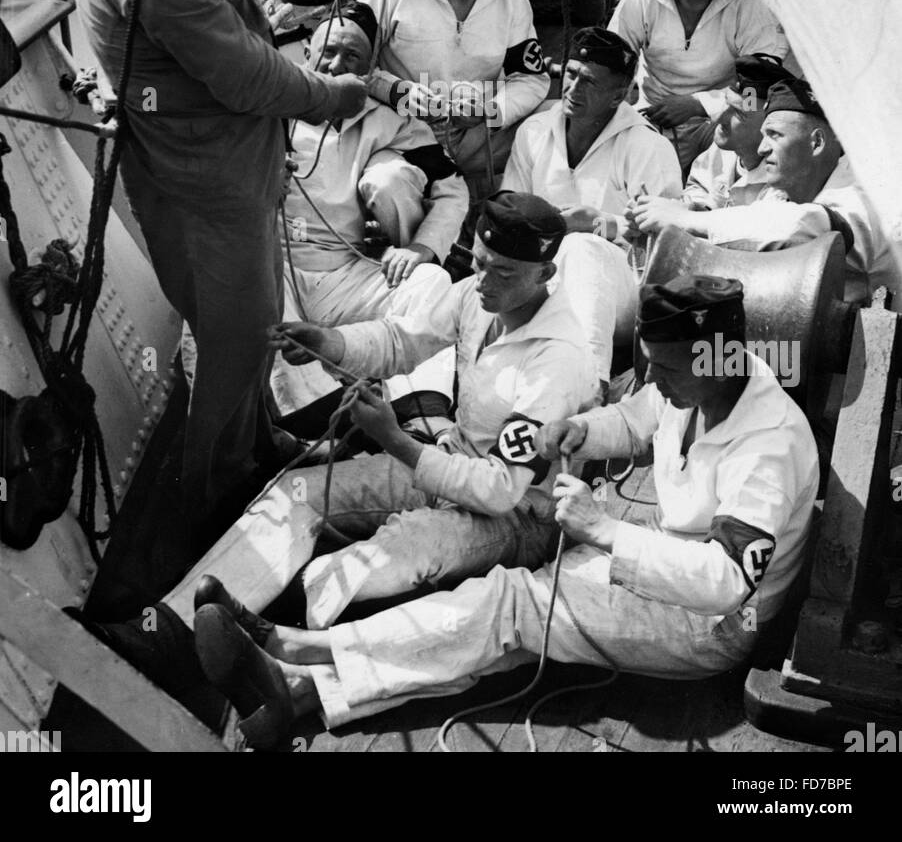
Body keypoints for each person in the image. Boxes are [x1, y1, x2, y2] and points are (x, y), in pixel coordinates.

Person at [188, 275, 819, 745]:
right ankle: (299, 694)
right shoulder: (701, 378)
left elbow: (727, 585)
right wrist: (580, 428)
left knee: (513, 605)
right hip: (658, 569)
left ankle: (298, 648)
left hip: (707, 627)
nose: (659, 381)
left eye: (668, 370)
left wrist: (604, 532)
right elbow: (638, 416)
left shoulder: (768, 448)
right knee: (500, 635)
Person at [84, 193, 595, 700]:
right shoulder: (478, 299)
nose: (483, 281)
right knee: (298, 490)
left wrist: (395, 441)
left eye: (504, 273)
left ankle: (275, 655)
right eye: (480, 264)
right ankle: (172, 632)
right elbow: (401, 342)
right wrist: (329, 342)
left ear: (545, 275)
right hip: (453, 461)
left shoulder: (558, 360)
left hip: (521, 517)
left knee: (389, 554)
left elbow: (502, 491)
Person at [74, 0, 401, 547]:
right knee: (237, 331)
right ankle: (214, 493)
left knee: (251, 322)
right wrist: (336, 96)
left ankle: (256, 446)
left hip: (227, 161)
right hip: (201, 175)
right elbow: (246, 75)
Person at [274, 2, 468, 436]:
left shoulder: (387, 120)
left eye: (352, 57)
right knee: (261, 307)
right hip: (277, 266)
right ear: (306, 51)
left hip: (348, 271)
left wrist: (421, 249)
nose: (337, 64)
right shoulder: (272, 107)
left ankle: (422, 410)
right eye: (327, 52)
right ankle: (323, 429)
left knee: (432, 284)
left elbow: (452, 187)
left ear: (369, 70)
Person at [502, 25, 681, 393]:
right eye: (571, 74)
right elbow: (509, 210)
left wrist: (598, 225)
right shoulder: (534, 130)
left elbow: (668, 245)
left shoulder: (648, 145)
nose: (573, 89)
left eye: (590, 83)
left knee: (583, 249)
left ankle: (588, 386)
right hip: (541, 278)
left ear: (618, 97)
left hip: (624, 295)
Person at [630, 79, 901, 307]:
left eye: (774, 135)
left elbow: (801, 225)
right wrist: (665, 231)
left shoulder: (865, 188)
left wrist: (686, 221)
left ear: (816, 142)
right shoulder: (784, 193)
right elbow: (750, 234)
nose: (762, 149)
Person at [361, 0, 549, 201]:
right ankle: (422, 248)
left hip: (478, 135)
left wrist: (491, 111)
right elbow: (352, 68)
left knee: (560, 126)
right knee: (386, 183)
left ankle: (518, 231)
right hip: (403, 132)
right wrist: (398, 92)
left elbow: (530, 79)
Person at [608, 0, 788, 178]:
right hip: (654, 116)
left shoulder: (746, 2)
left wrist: (700, 104)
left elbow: (762, 83)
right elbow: (612, 61)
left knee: (754, 124)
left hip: (720, 119)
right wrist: (623, 116)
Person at [682, 53, 785, 210]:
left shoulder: (782, 179)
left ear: (768, 129)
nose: (720, 118)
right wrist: (700, 206)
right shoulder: (726, 147)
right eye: (726, 104)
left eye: (738, 113)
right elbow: (698, 184)